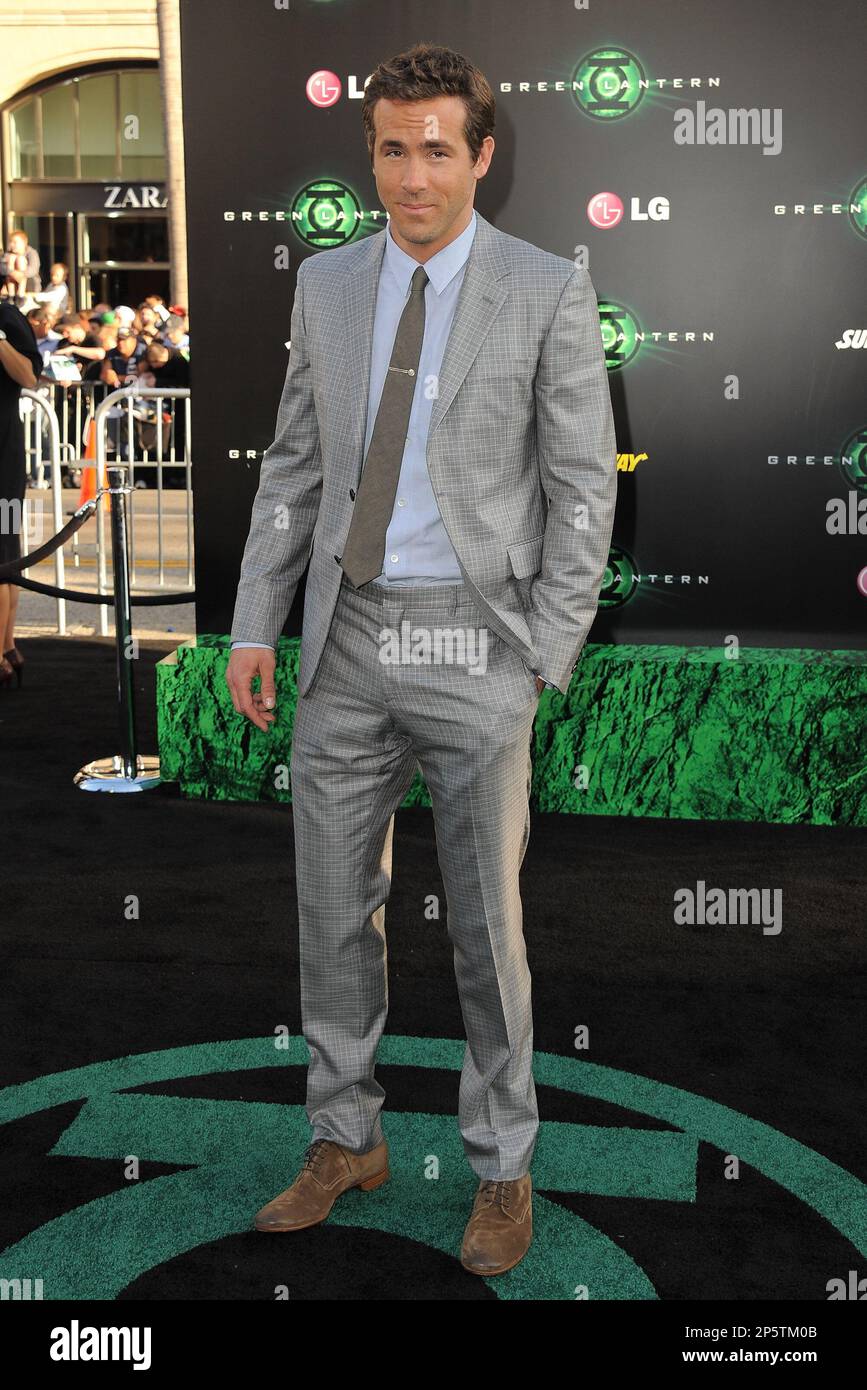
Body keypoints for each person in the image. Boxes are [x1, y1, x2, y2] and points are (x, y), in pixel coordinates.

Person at [225, 42, 617, 1276]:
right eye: (391, 148)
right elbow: (293, 468)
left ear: (481, 157)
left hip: (477, 645)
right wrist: (252, 620)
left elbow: (582, 488)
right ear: (373, 152)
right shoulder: (328, 282)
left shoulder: (547, 288)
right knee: (333, 912)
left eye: (436, 148)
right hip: (345, 639)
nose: (410, 175)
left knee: (485, 932)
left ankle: (503, 1164)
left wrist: (544, 655)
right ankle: (346, 1136)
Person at [0, 300, 44, 688]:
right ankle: (7, 648)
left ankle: (2, 650)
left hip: (4, 461)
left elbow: (29, 377)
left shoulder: (7, 316)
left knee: (4, 552)